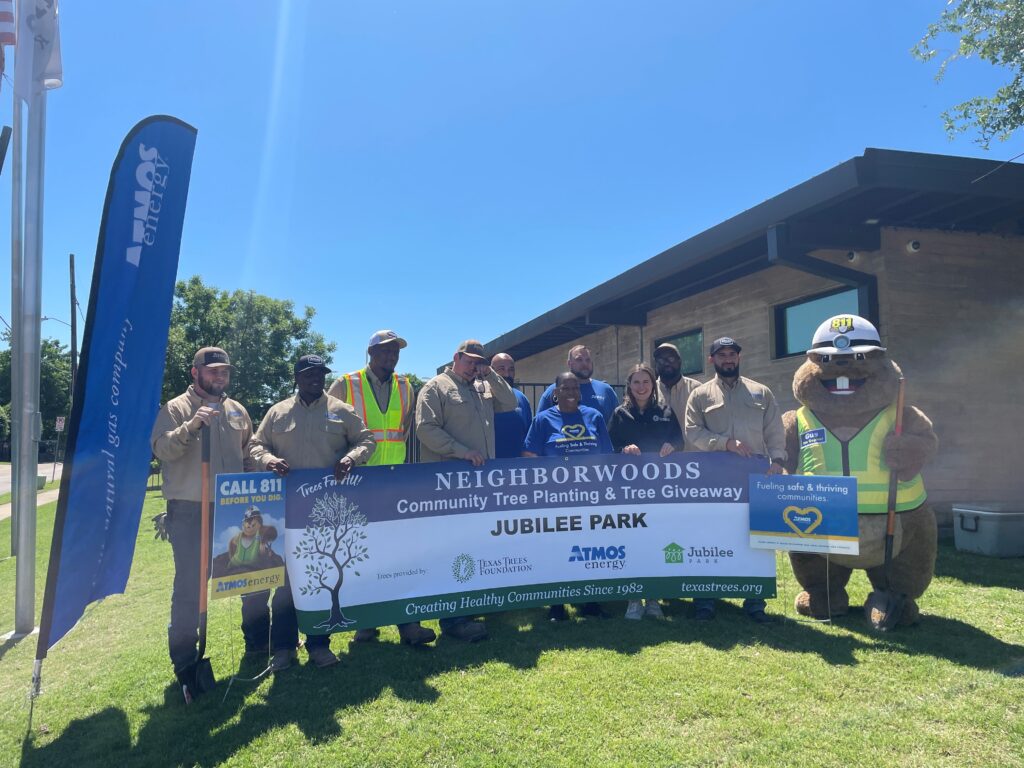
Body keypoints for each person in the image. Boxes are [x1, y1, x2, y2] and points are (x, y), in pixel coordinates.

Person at [249, 354, 377, 669]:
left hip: (325, 511)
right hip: (285, 512)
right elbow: (255, 445)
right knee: (285, 581)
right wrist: (267, 461)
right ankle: (283, 648)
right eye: (308, 374)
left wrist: (352, 458)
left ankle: (320, 645)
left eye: (320, 374)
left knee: (322, 576)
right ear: (296, 378)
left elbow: (367, 440)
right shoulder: (277, 413)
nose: (315, 379)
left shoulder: (341, 411)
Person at [151, 346, 261, 691]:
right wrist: (191, 426)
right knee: (190, 586)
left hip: (233, 508)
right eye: (212, 371)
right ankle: (185, 660)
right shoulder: (175, 408)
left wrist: (254, 480)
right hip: (190, 508)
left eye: (224, 371)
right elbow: (161, 449)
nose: (219, 376)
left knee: (250, 575)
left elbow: (249, 452)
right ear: (195, 373)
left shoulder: (237, 410)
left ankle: (259, 643)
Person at [327, 330, 435, 646]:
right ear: (371, 353)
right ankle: (366, 624)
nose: (391, 356)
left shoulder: (405, 386)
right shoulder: (345, 384)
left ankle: (407, 622)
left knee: (400, 555)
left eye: (395, 352)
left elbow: (404, 429)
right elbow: (328, 429)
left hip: (394, 481)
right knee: (360, 556)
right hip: (358, 481)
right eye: (386, 351)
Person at [415, 339, 519, 641]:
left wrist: (491, 374)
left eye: (479, 361)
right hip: (449, 483)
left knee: (474, 546)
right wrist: (462, 451)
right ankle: (453, 619)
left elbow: (510, 403)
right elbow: (425, 429)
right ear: (456, 357)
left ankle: (471, 606)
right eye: (470, 360)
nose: (475, 365)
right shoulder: (436, 387)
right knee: (451, 549)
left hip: (480, 484)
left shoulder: (482, 385)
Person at [684, 337, 785, 624]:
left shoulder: (760, 392)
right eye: (721, 355)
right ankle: (705, 600)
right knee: (709, 536)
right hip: (713, 477)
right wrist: (723, 443)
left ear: (738, 358)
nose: (728, 359)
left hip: (754, 477)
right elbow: (692, 432)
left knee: (754, 537)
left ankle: (755, 601)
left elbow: (775, 429)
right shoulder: (700, 395)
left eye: (732, 354)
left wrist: (777, 460)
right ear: (711, 360)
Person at [524, 372, 613, 621]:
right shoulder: (542, 420)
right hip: (555, 499)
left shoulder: (594, 416)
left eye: (576, 387)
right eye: (566, 387)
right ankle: (556, 604)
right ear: (556, 391)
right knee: (556, 550)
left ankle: (590, 601)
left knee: (589, 549)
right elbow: (529, 455)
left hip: (590, 497)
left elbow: (607, 454)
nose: (572, 392)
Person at [606, 363, 680, 621]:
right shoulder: (619, 414)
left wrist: (673, 445)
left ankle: (653, 600)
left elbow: (679, 441)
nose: (641, 387)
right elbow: (609, 447)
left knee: (656, 542)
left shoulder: (666, 412)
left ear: (653, 384)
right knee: (632, 543)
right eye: (636, 382)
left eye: (645, 382)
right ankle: (633, 600)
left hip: (659, 491)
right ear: (629, 386)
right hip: (629, 491)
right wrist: (623, 450)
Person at [536, 345, 619, 423]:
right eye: (579, 360)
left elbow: (617, 424)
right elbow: (539, 424)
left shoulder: (606, 390)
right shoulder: (554, 391)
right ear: (569, 364)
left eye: (588, 360)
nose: (585, 364)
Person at [652, 342, 701, 446]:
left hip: (694, 458)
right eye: (661, 360)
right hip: (658, 460)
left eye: (671, 358)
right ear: (655, 364)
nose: (666, 363)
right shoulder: (649, 391)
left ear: (679, 361)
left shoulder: (697, 390)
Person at [490, 353, 533, 459]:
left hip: (518, 466)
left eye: (511, 369)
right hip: (489, 466)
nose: (507, 374)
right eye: (501, 369)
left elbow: (529, 433)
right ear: (491, 371)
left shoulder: (522, 398)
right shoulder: (482, 397)